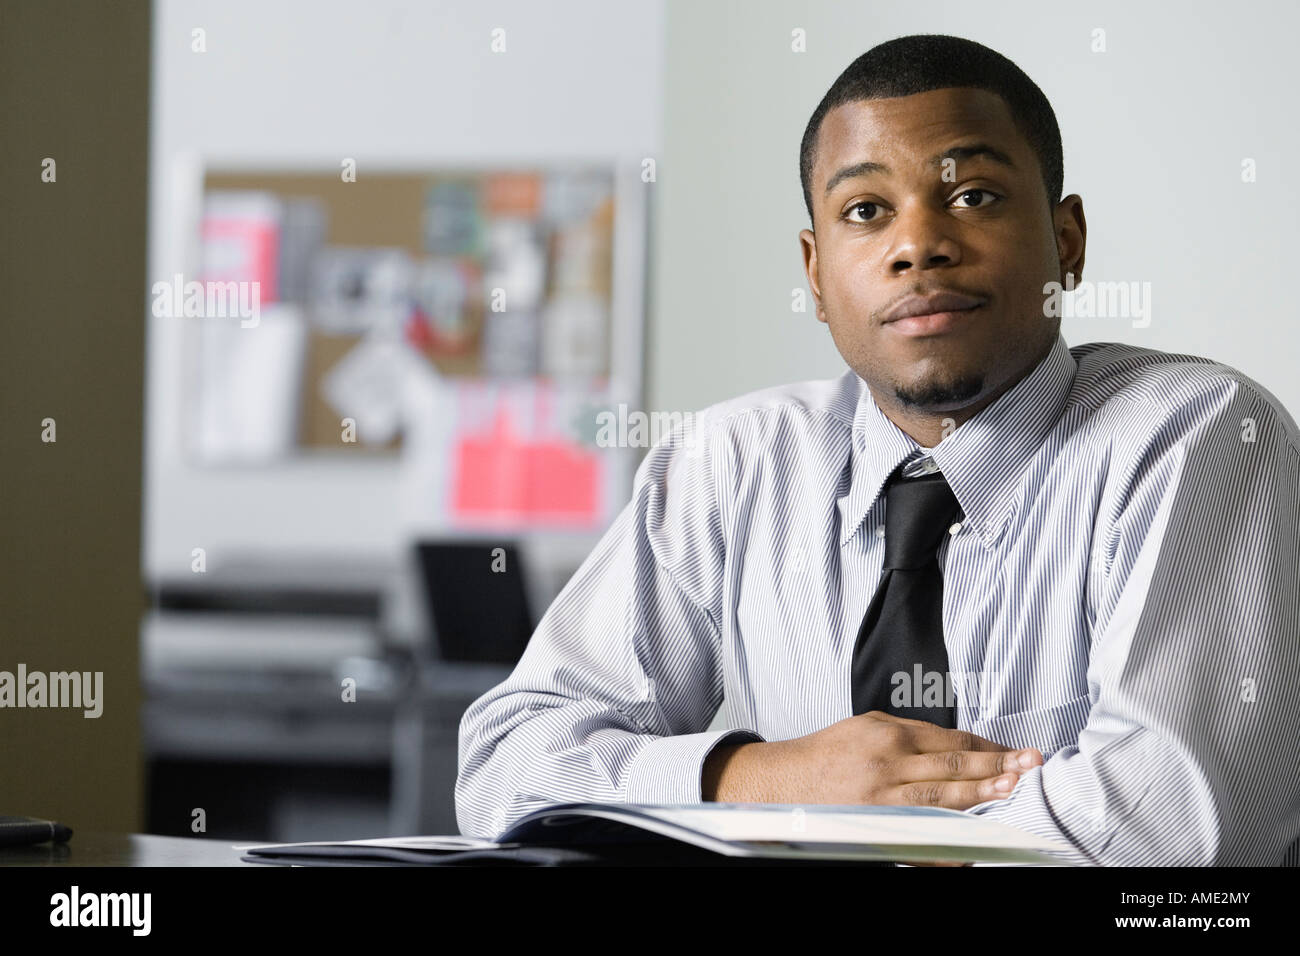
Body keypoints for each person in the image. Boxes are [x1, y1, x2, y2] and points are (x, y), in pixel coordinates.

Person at [456, 34, 1300, 866]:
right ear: (817, 275)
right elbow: (505, 768)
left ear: (1067, 242)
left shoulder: (1194, 436)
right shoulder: (728, 463)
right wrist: (764, 780)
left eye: (972, 196)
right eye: (866, 211)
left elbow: (1174, 838)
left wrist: (836, 827)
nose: (918, 245)